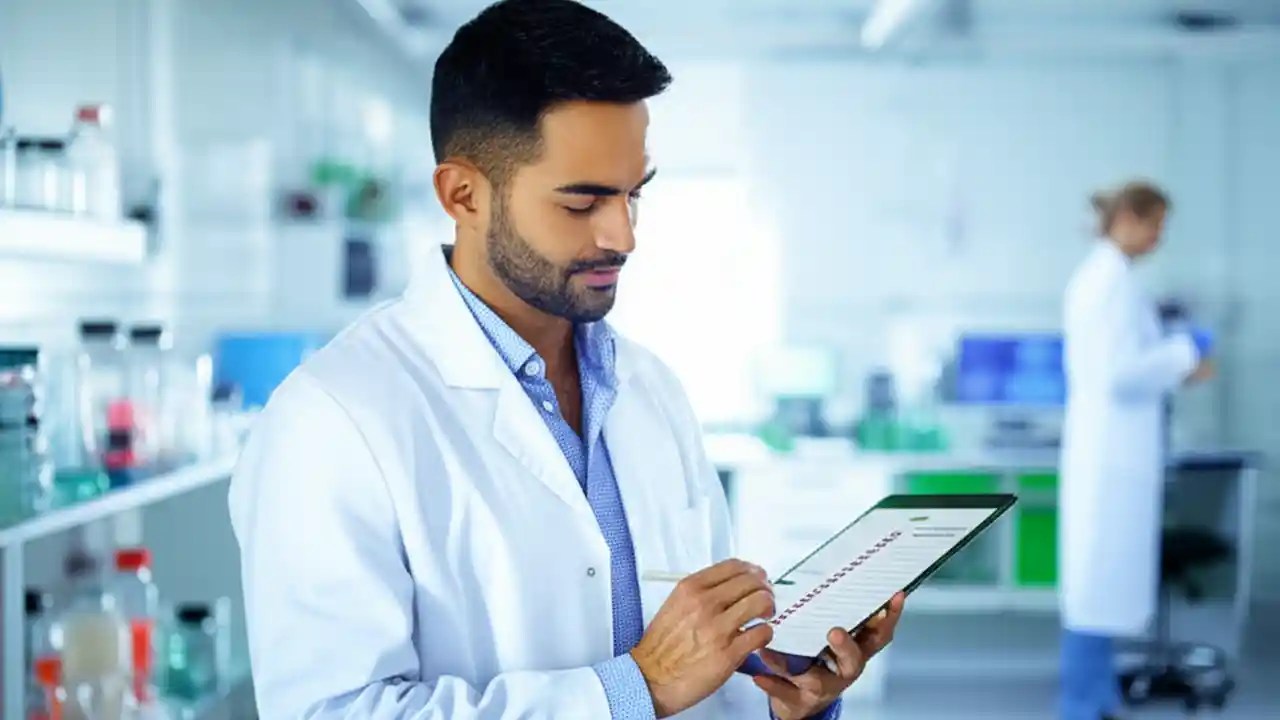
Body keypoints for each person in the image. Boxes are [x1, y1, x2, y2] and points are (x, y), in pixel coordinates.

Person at [228, 1, 904, 718]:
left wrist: (788, 703)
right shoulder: (332, 420)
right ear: (463, 195)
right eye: (582, 203)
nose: (623, 236)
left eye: (633, 194)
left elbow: (703, 681)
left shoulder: (649, 390)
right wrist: (631, 691)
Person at [1058, 181, 1214, 720]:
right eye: (1156, 225)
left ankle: (1095, 698)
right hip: (1109, 461)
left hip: (1114, 456)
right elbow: (1121, 374)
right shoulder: (1108, 282)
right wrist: (1184, 352)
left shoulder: (1114, 280)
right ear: (1128, 216)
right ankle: (1082, 703)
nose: (1158, 238)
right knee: (1094, 589)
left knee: (1099, 588)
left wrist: (1173, 356)